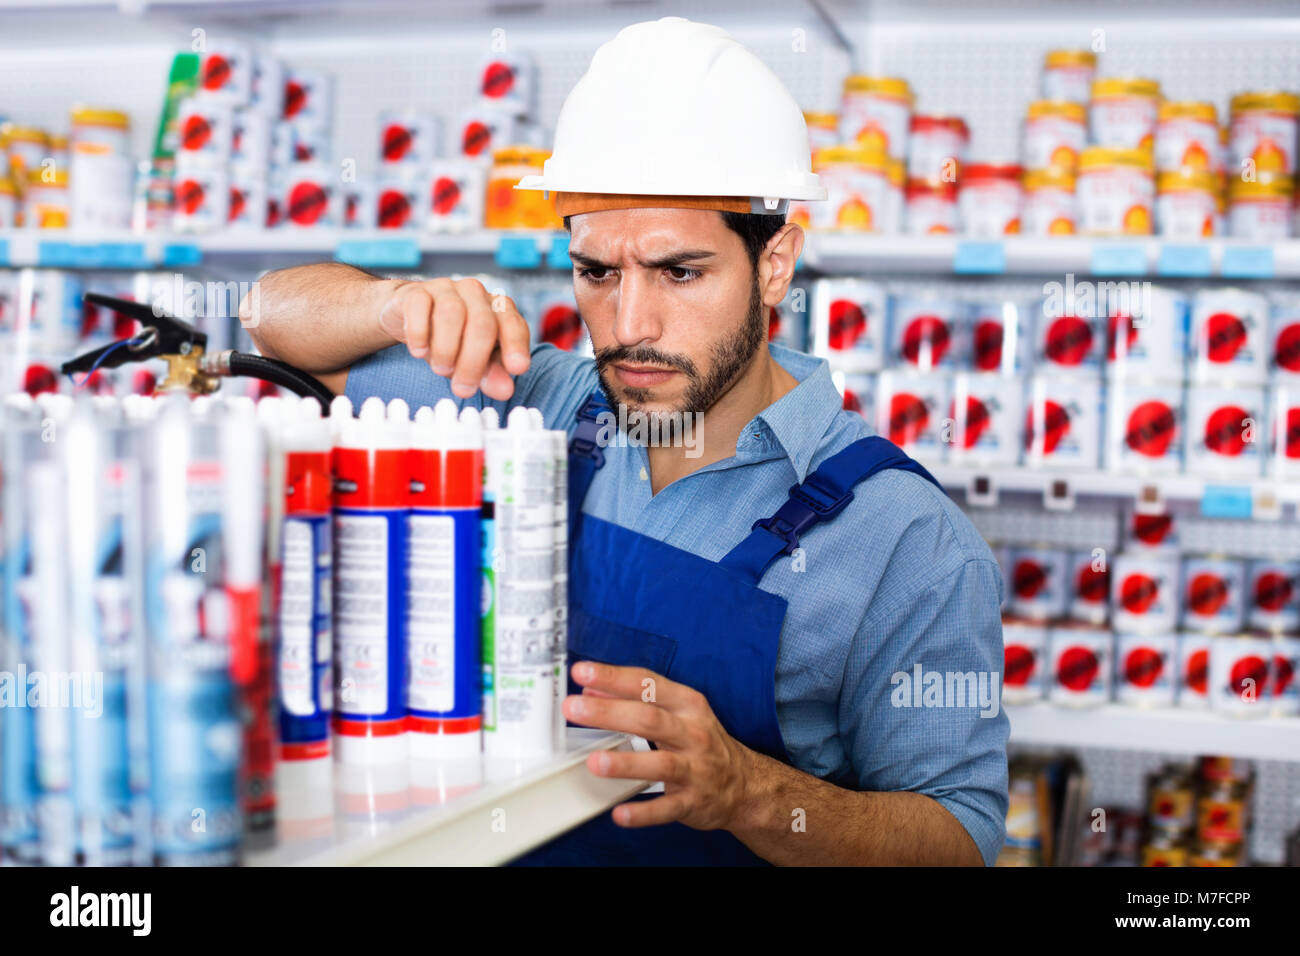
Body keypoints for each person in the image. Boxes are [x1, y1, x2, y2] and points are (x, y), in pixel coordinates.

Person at [246, 16, 1008, 866]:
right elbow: (270, 321)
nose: (630, 325)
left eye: (680, 272)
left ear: (776, 262)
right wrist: (391, 306)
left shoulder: (904, 536)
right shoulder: (529, 398)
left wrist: (752, 794)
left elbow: (962, 840)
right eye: (597, 273)